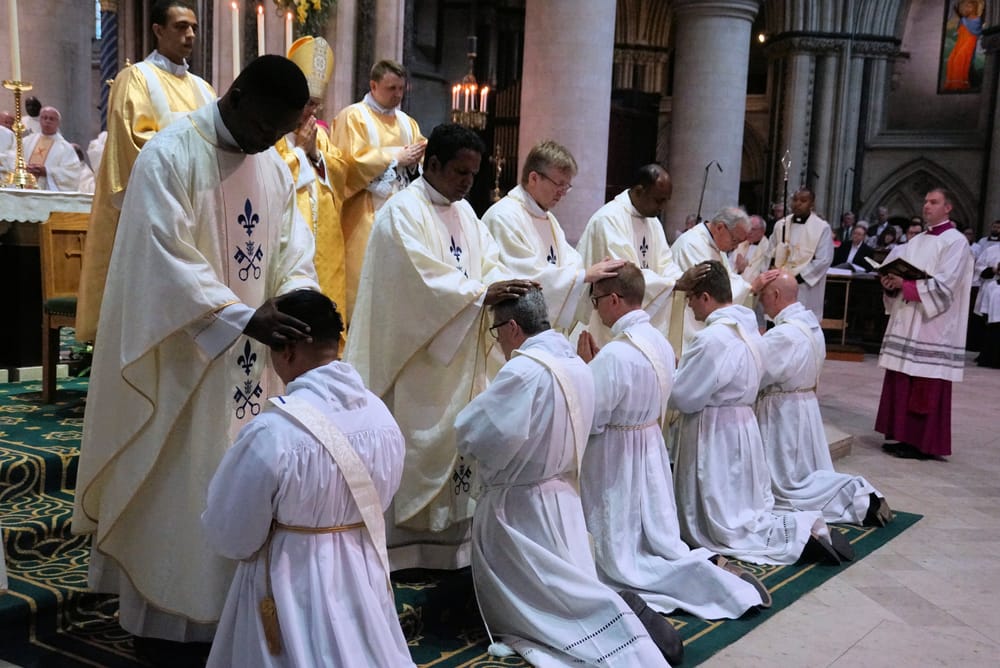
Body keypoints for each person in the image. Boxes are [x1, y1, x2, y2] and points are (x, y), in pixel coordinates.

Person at [71, 56, 318, 660]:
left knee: (245, 485)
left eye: (281, 132)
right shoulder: (171, 155)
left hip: (254, 365)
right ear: (236, 96)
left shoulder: (272, 167)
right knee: (180, 487)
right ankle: (162, 630)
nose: (268, 141)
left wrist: (293, 301)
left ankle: (233, 619)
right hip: (181, 365)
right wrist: (240, 316)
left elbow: (293, 249)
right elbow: (162, 257)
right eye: (264, 126)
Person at [344, 123, 532, 570]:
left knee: (458, 451)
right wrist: (478, 294)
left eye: (474, 174)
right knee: (416, 442)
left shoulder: (465, 213)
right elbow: (417, 280)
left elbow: (489, 264)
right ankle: (405, 554)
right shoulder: (401, 212)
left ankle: (452, 551)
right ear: (432, 165)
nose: (468, 182)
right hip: (418, 360)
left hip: (460, 357)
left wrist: (500, 287)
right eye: (460, 172)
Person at [455, 289, 678, 667]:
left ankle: (620, 626)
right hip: (564, 497)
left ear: (512, 327)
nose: (499, 342)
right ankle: (621, 618)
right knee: (569, 586)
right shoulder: (576, 364)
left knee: (542, 607)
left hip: (521, 508)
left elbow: (475, 433)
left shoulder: (524, 372)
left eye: (497, 331)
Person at [203, 290, 414, 668]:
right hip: (362, 572)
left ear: (287, 350)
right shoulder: (381, 415)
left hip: (291, 584)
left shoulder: (272, 432)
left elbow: (230, 533)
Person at [577, 264, 768, 620]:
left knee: (623, 556)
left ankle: (711, 579)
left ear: (614, 300)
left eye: (597, 300)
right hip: (648, 447)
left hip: (616, 456)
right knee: (654, 541)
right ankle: (712, 572)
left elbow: (593, 415)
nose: (596, 308)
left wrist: (586, 372)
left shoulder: (616, 354)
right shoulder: (658, 342)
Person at [668, 261, 849, 565]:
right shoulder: (750, 331)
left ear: (705, 297)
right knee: (742, 507)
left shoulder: (711, 339)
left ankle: (799, 535)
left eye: (690, 299)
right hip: (744, 425)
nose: (690, 307)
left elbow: (684, 396)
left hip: (714, 430)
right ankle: (808, 532)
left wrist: (672, 375)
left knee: (722, 517)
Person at [76, 0, 216, 342]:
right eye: (181, 26)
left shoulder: (204, 89)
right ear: (158, 30)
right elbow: (137, 144)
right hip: (155, 212)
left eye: (194, 27)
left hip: (198, 212)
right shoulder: (136, 79)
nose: (190, 34)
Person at [754, 269, 892, 526]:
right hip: (805, 406)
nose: (761, 302)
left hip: (782, 411)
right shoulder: (810, 325)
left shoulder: (782, 335)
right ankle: (859, 496)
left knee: (786, 485)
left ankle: (859, 496)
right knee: (804, 473)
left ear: (775, 295)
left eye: (762, 296)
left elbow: (758, 374)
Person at [481, 139, 622, 330]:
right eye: (559, 184)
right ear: (534, 178)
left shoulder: (549, 219)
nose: (562, 193)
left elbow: (572, 262)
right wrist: (583, 276)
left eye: (567, 186)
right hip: (514, 331)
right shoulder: (503, 217)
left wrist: (594, 278)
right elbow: (524, 277)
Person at [877, 188, 974, 460]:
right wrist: (890, 285)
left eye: (934, 202)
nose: (927, 206)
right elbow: (901, 274)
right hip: (908, 318)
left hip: (933, 324)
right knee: (902, 378)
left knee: (924, 383)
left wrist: (906, 285)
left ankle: (922, 443)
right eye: (925, 201)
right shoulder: (916, 240)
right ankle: (903, 436)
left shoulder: (956, 242)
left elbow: (946, 286)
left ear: (948, 208)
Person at [333, 59, 426, 323]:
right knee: (366, 286)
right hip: (364, 216)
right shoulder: (353, 117)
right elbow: (347, 163)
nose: (398, 95)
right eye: (391, 88)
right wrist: (395, 156)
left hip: (403, 216)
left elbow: (420, 158)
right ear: (373, 86)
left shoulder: (407, 123)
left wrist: (416, 158)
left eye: (401, 88)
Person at [276, 36, 347, 318]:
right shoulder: (273, 133)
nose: (312, 112)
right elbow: (270, 180)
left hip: (325, 242)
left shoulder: (321, 136)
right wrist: (298, 151)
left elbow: (341, 174)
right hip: (288, 238)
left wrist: (316, 154)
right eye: (308, 104)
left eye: (317, 105)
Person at [576, 164, 684, 347]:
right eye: (659, 200)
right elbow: (625, 278)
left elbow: (665, 263)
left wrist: (681, 278)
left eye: (666, 201)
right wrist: (673, 284)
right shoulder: (609, 219)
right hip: (605, 323)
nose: (663, 207)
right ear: (640, 191)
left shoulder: (653, 222)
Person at [670, 206, 751, 351]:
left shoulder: (716, 246)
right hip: (687, 322)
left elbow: (727, 278)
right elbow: (713, 291)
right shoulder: (692, 244)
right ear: (720, 227)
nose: (735, 247)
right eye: (734, 240)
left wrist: (748, 287)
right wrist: (750, 287)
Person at [770, 187, 834, 319]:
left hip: (805, 286)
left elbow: (824, 259)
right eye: (795, 200)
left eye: (803, 200)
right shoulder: (780, 225)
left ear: (812, 204)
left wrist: (797, 278)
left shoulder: (822, 228)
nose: (797, 204)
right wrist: (773, 271)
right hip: (780, 283)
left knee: (802, 321)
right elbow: (770, 251)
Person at [21, 106, 81, 191]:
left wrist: (47, 171)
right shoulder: (26, 141)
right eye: (44, 118)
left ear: (58, 123)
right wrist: (25, 167)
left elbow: (72, 173)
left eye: (51, 119)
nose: (47, 121)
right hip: (24, 189)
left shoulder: (65, 148)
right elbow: (13, 159)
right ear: (40, 120)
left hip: (47, 194)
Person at [943, 0, 984, 91]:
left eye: (970, 6)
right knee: (951, 60)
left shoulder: (977, 20)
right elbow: (960, 31)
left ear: (975, 8)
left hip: (969, 43)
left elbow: (976, 32)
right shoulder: (963, 20)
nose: (967, 9)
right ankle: (950, 84)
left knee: (959, 60)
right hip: (960, 43)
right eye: (966, 6)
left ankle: (959, 85)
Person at [973, 242, 1000, 367]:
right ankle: (986, 353)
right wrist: (993, 270)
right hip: (991, 287)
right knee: (987, 322)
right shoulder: (991, 250)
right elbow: (979, 267)